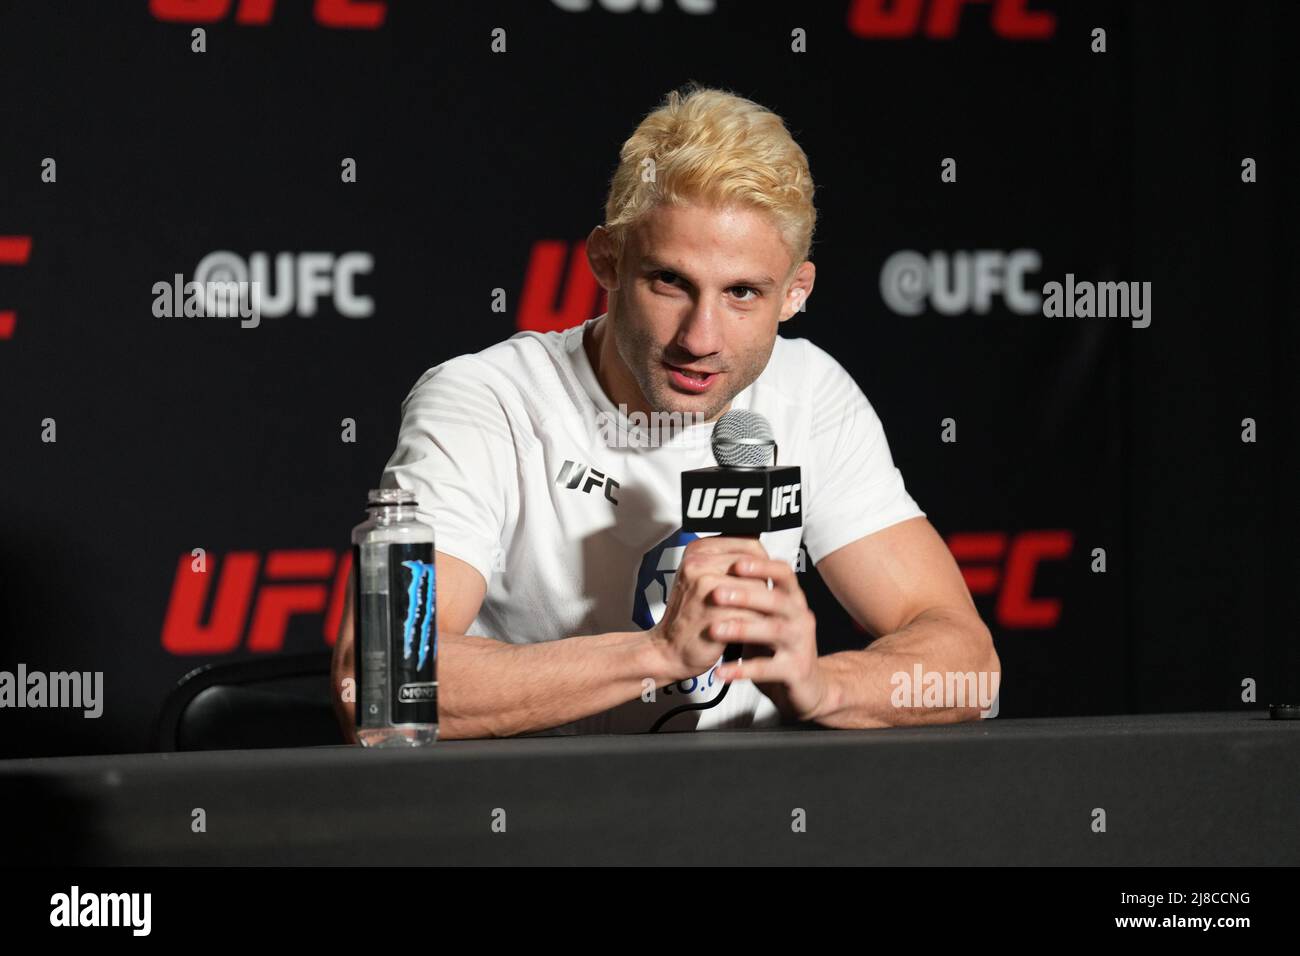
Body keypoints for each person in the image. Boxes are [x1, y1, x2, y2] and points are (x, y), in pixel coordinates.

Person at [331, 84, 998, 740]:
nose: (700, 339)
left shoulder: (811, 393)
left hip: (752, 805)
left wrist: (826, 687)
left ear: (796, 292)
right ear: (608, 261)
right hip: (541, 805)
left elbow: (971, 670)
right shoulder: (487, 401)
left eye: (742, 293)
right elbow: (378, 684)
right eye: (670, 282)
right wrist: (656, 654)